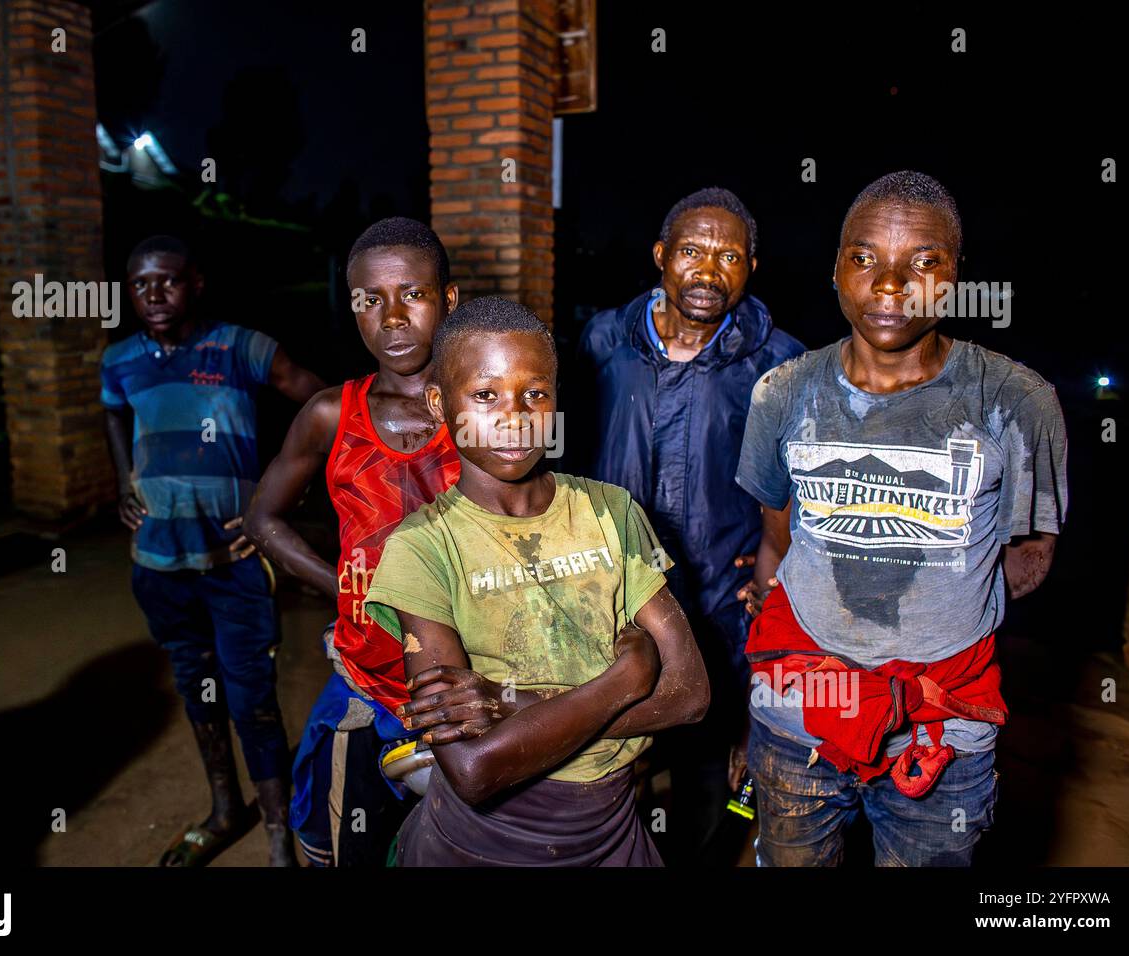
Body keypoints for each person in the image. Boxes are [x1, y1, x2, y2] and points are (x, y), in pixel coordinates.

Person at [735, 171, 1067, 866]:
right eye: (864, 259)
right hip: (798, 713)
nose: (889, 284)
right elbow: (776, 532)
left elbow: (1030, 555)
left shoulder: (1016, 400)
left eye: (922, 261)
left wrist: (938, 609)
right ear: (835, 270)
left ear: (954, 275)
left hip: (941, 725)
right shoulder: (782, 390)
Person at [363, 296, 710, 866]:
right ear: (438, 402)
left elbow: (690, 696)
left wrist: (510, 703)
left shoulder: (610, 511)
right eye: (484, 395)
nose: (514, 416)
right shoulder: (422, 548)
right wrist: (627, 677)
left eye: (536, 393)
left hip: (613, 831)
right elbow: (474, 770)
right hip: (482, 842)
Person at [574, 187, 804, 859]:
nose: (709, 271)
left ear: (751, 268)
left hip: (721, 602)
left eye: (729, 255)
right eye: (693, 252)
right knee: (613, 764)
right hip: (607, 597)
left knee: (708, 773)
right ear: (661, 257)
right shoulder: (602, 341)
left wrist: (770, 590)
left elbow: (793, 504)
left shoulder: (780, 362)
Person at [244, 218, 463, 866]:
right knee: (349, 846)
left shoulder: (480, 410)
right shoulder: (329, 414)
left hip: (464, 688)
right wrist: (342, 583)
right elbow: (263, 518)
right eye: (371, 299)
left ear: (447, 300)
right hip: (366, 681)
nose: (392, 317)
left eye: (412, 295)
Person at [100, 234, 325, 866]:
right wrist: (123, 478)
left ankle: (279, 831)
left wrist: (281, 500)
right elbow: (114, 414)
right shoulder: (119, 359)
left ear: (195, 282)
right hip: (160, 566)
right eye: (140, 283)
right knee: (196, 689)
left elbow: (324, 404)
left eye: (167, 280)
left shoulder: (241, 348)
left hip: (234, 566)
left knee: (251, 699)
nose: (153, 294)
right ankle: (226, 809)